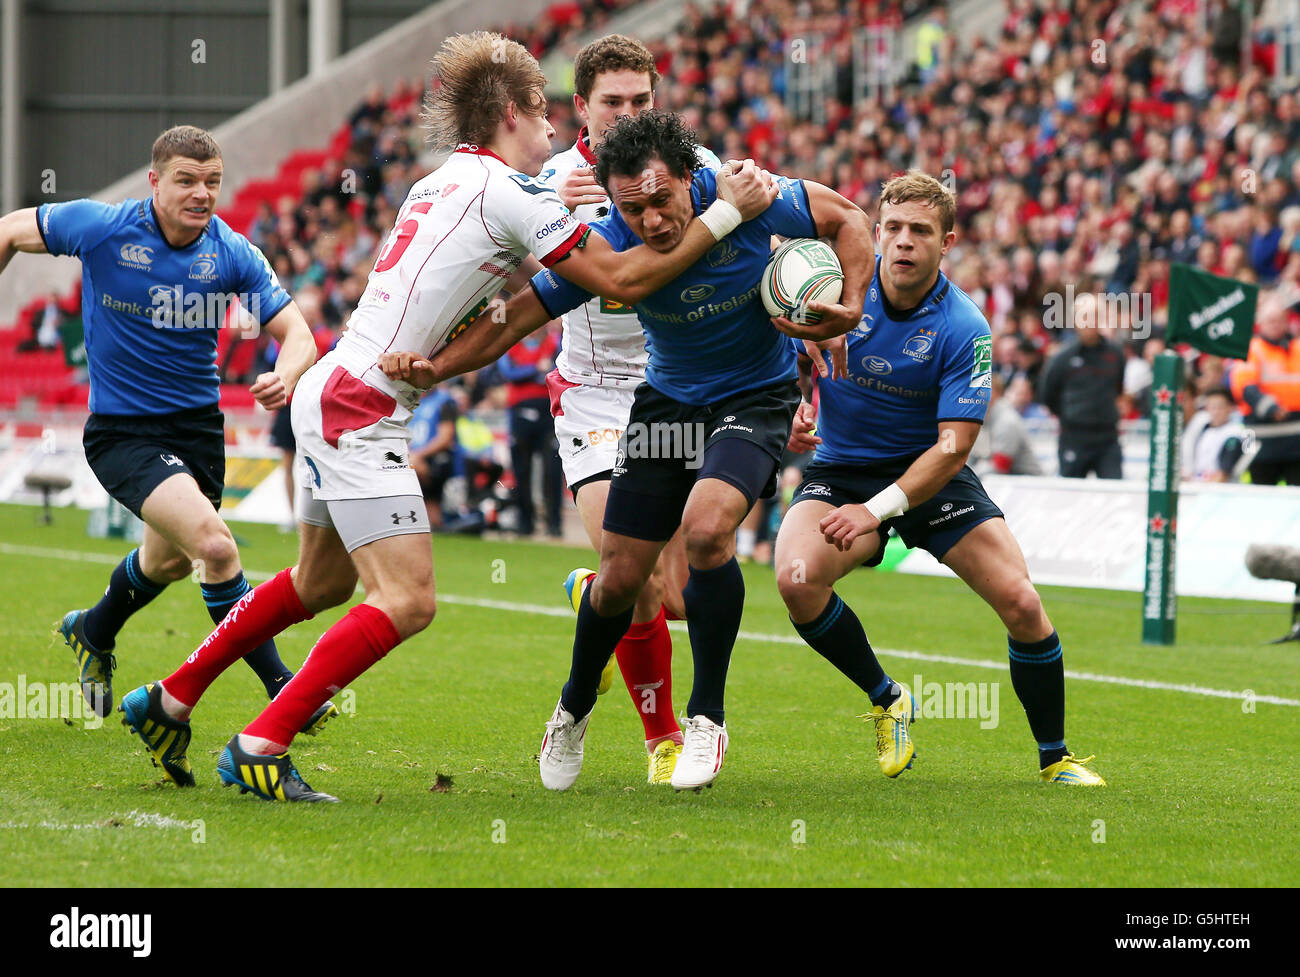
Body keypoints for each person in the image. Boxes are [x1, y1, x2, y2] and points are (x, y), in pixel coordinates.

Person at [113, 33, 778, 801]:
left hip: (338, 383)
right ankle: (263, 739)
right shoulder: (514, 192)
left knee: (318, 583)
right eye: (542, 115)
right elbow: (622, 274)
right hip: (363, 405)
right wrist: (724, 216)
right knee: (408, 600)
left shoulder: (440, 181)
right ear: (510, 114)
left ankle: (169, 697)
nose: (554, 133)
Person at [388, 110, 873, 792]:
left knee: (708, 532)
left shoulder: (754, 195)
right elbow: (517, 313)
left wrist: (851, 306)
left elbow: (849, 216)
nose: (650, 219)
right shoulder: (608, 244)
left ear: (689, 178)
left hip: (753, 399)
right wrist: (438, 365)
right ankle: (574, 705)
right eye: (633, 208)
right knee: (621, 582)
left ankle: (706, 719)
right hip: (666, 403)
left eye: (661, 200)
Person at [0, 125, 335, 745]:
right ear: (155, 181)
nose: (201, 193)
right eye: (185, 180)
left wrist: (284, 375)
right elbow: (12, 229)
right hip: (123, 433)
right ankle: (283, 688)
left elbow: (299, 335)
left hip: (197, 432)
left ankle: (94, 629)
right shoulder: (101, 227)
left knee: (168, 562)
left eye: (212, 181)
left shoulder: (231, 251)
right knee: (215, 547)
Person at [772, 171, 1104, 786]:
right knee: (795, 579)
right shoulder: (837, 283)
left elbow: (955, 447)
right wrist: (790, 408)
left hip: (932, 474)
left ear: (945, 242)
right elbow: (783, 351)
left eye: (919, 231)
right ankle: (886, 696)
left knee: (1022, 602)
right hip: (842, 471)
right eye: (892, 228)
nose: (903, 242)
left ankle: (1056, 758)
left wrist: (879, 510)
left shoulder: (965, 327)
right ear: (875, 232)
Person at [537, 34, 721, 784]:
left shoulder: (694, 169)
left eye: (640, 100)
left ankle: (594, 602)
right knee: (636, 575)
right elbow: (506, 279)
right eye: (611, 101)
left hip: (676, 387)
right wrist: (553, 217)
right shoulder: (551, 182)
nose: (625, 113)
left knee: (674, 595)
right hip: (592, 396)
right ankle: (663, 739)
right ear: (581, 106)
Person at [1037, 292, 1125, 478]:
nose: (1088, 322)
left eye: (1093, 316)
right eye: (1083, 316)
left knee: (1114, 491)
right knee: (1070, 493)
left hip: (1108, 438)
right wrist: (1070, 416)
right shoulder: (1062, 357)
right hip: (1074, 437)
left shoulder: (1115, 354)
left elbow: (1118, 388)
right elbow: (1048, 394)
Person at [498, 330, 563, 537]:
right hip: (520, 414)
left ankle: (554, 523)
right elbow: (509, 373)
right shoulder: (512, 344)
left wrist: (528, 372)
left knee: (552, 469)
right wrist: (536, 369)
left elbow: (556, 371)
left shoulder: (554, 342)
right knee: (521, 470)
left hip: (548, 412)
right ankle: (525, 522)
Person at [1229, 297, 1300, 485]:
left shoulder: (1298, 348)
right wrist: (1271, 408)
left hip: (1296, 440)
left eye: (1280, 320)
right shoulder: (1252, 349)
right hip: (1259, 438)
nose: (1276, 325)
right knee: (1260, 494)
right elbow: (1244, 386)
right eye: (1271, 320)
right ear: (1260, 323)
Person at [971, 373, 1044, 476]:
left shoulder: (1007, 420)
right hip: (1006, 483)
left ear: (997, 393)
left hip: (1029, 484)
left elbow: (1000, 466)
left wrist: (970, 476)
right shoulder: (982, 419)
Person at [1181, 386, 1247, 482]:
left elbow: (1223, 474)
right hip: (1196, 484)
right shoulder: (1204, 430)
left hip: (1217, 490)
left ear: (1230, 408)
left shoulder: (1234, 433)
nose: (1216, 412)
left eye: (1220, 407)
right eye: (1211, 407)